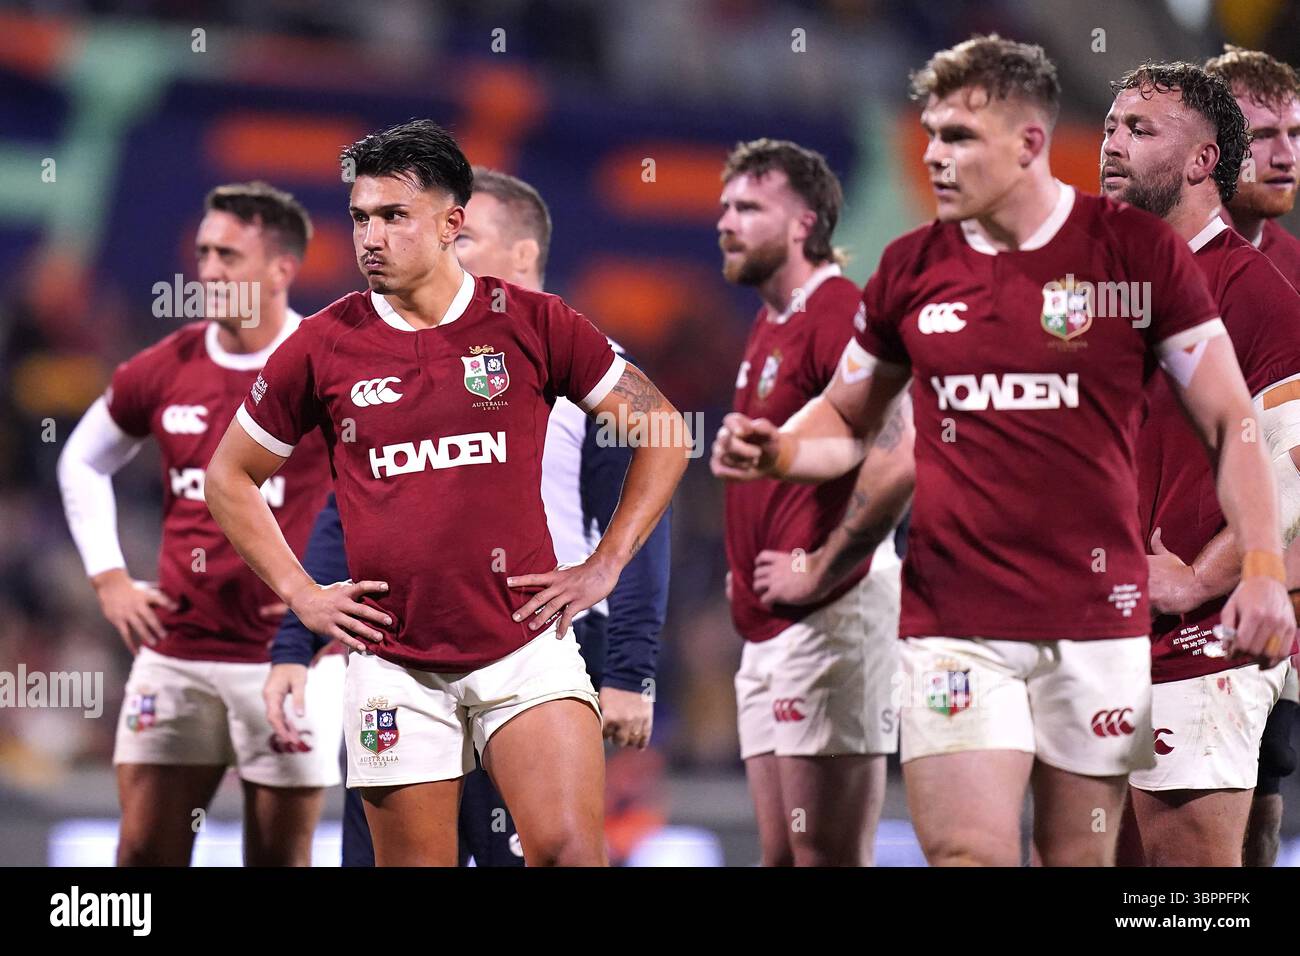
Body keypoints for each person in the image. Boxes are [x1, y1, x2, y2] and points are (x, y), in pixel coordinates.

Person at [711, 34, 1293, 866]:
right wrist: (776, 449)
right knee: (966, 854)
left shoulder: (1136, 255)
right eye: (931, 135)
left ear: (1027, 143)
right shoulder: (911, 266)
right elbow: (845, 421)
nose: (935, 157)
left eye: (958, 138)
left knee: (1089, 862)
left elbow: (1233, 421)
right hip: (955, 623)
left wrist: (1260, 569)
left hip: (1094, 624)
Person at [205, 120, 688, 866]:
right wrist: (301, 596)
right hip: (394, 663)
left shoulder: (535, 323)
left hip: (527, 647)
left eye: (393, 217)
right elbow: (229, 475)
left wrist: (606, 564)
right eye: (360, 217)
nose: (370, 236)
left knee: (569, 853)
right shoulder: (323, 344)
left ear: (449, 224)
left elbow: (662, 427)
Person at [56, 182, 341, 866]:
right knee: (143, 858)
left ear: (280, 269)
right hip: (178, 651)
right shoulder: (166, 365)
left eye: (228, 256)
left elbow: (391, 487)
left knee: (278, 859)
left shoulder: (331, 364)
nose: (208, 271)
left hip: (291, 660)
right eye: (204, 253)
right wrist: (110, 579)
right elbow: (81, 463)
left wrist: (344, 598)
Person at [1100, 60, 1300, 866]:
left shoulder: (1255, 292)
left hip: (1198, 644)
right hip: (1098, 639)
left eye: (1139, 130)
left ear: (1201, 162)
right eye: (1112, 126)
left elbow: (1290, 474)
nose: (1112, 144)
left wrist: (1200, 579)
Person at [714, 138, 913, 866]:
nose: (725, 222)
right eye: (724, 208)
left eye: (748, 208)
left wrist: (823, 570)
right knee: (782, 855)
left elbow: (897, 460)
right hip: (773, 625)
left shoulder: (840, 311)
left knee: (823, 855)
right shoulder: (772, 320)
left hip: (834, 612)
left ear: (803, 224)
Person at [1207, 45, 1300, 865]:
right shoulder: (1135, 264)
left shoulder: (1296, 281)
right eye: (1262, 133)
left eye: (1295, 134)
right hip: (1140, 585)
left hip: (1266, 590)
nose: (1285, 154)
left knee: (1256, 815)